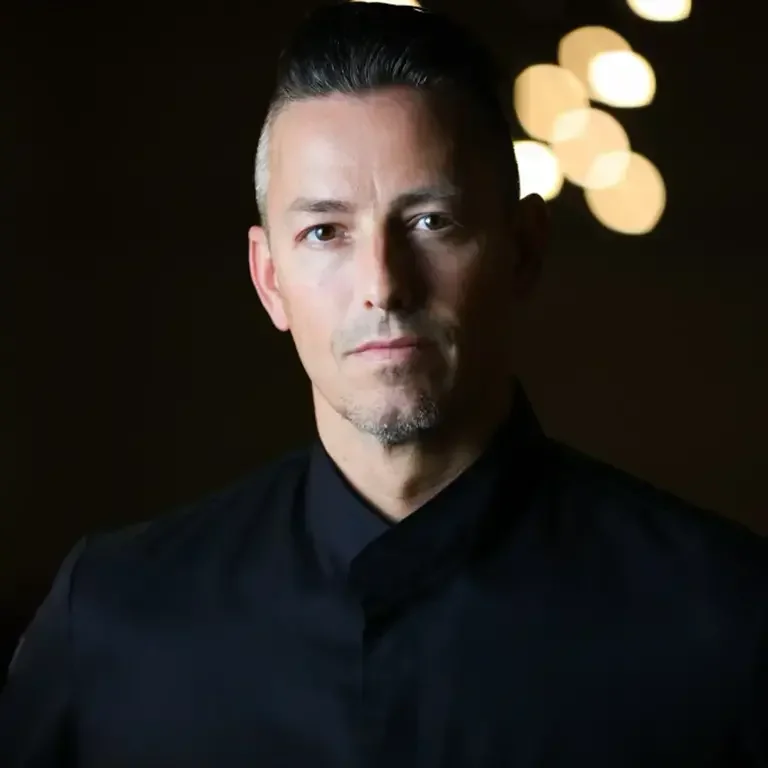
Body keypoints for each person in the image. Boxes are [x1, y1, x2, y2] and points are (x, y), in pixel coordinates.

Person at [1, 2, 766, 765]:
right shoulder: (111, 618)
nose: (383, 286)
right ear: (270, 280)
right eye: (325, 232)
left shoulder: (727, 619)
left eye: (430, 221)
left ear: (524, 251)